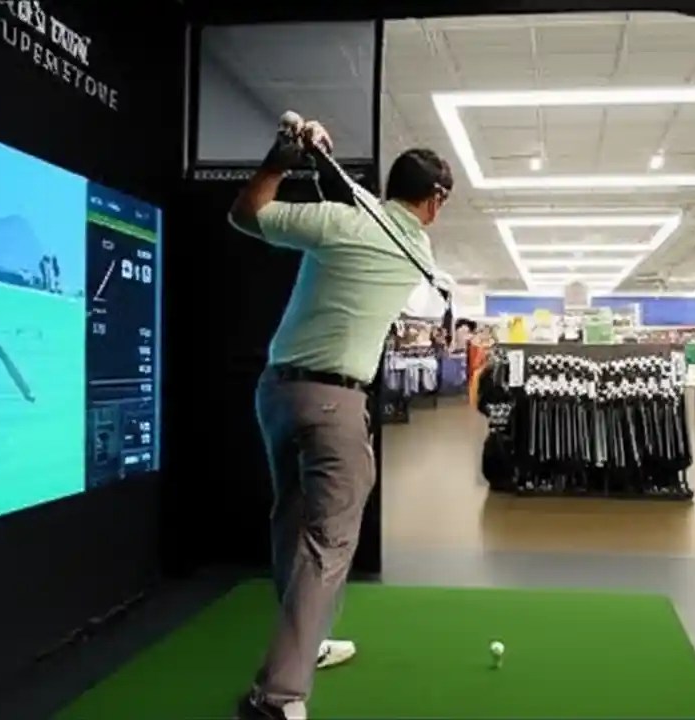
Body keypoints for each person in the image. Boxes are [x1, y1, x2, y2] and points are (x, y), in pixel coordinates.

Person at [227, 117, 453, 720]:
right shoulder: (415, 248)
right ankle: (278, 696)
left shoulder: (342, 222)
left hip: (275, 394)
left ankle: (309, 643)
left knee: (292, 523)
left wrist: (282, 160)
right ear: (433, 202)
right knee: (327, 545)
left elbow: (246, 214)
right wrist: (312, 163)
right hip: (335, 405)